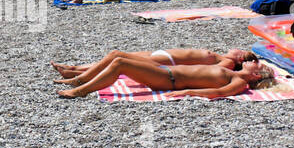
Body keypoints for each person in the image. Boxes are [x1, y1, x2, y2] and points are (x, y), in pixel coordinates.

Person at [56, 53, 275, 99]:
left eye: (254, 64)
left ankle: (80, 89)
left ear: (256, 76)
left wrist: (189, 92)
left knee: (120, 63)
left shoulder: (238, 82)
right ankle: (79, 80)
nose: (250, 62)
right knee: (117, 57)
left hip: (167, 80)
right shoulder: (233, 72)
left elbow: (217, 92)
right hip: (165, 73)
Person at [52, 48, 256, 84]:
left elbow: (222, 74)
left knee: (117, 57)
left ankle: (79, 76)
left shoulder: (227, 62)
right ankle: (75, 69)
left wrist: (250, 67)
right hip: (164, 56)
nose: (236, 49)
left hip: (166, 62)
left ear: (240, 59)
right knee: (114, 57)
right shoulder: (223, 57)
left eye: (240, 52)